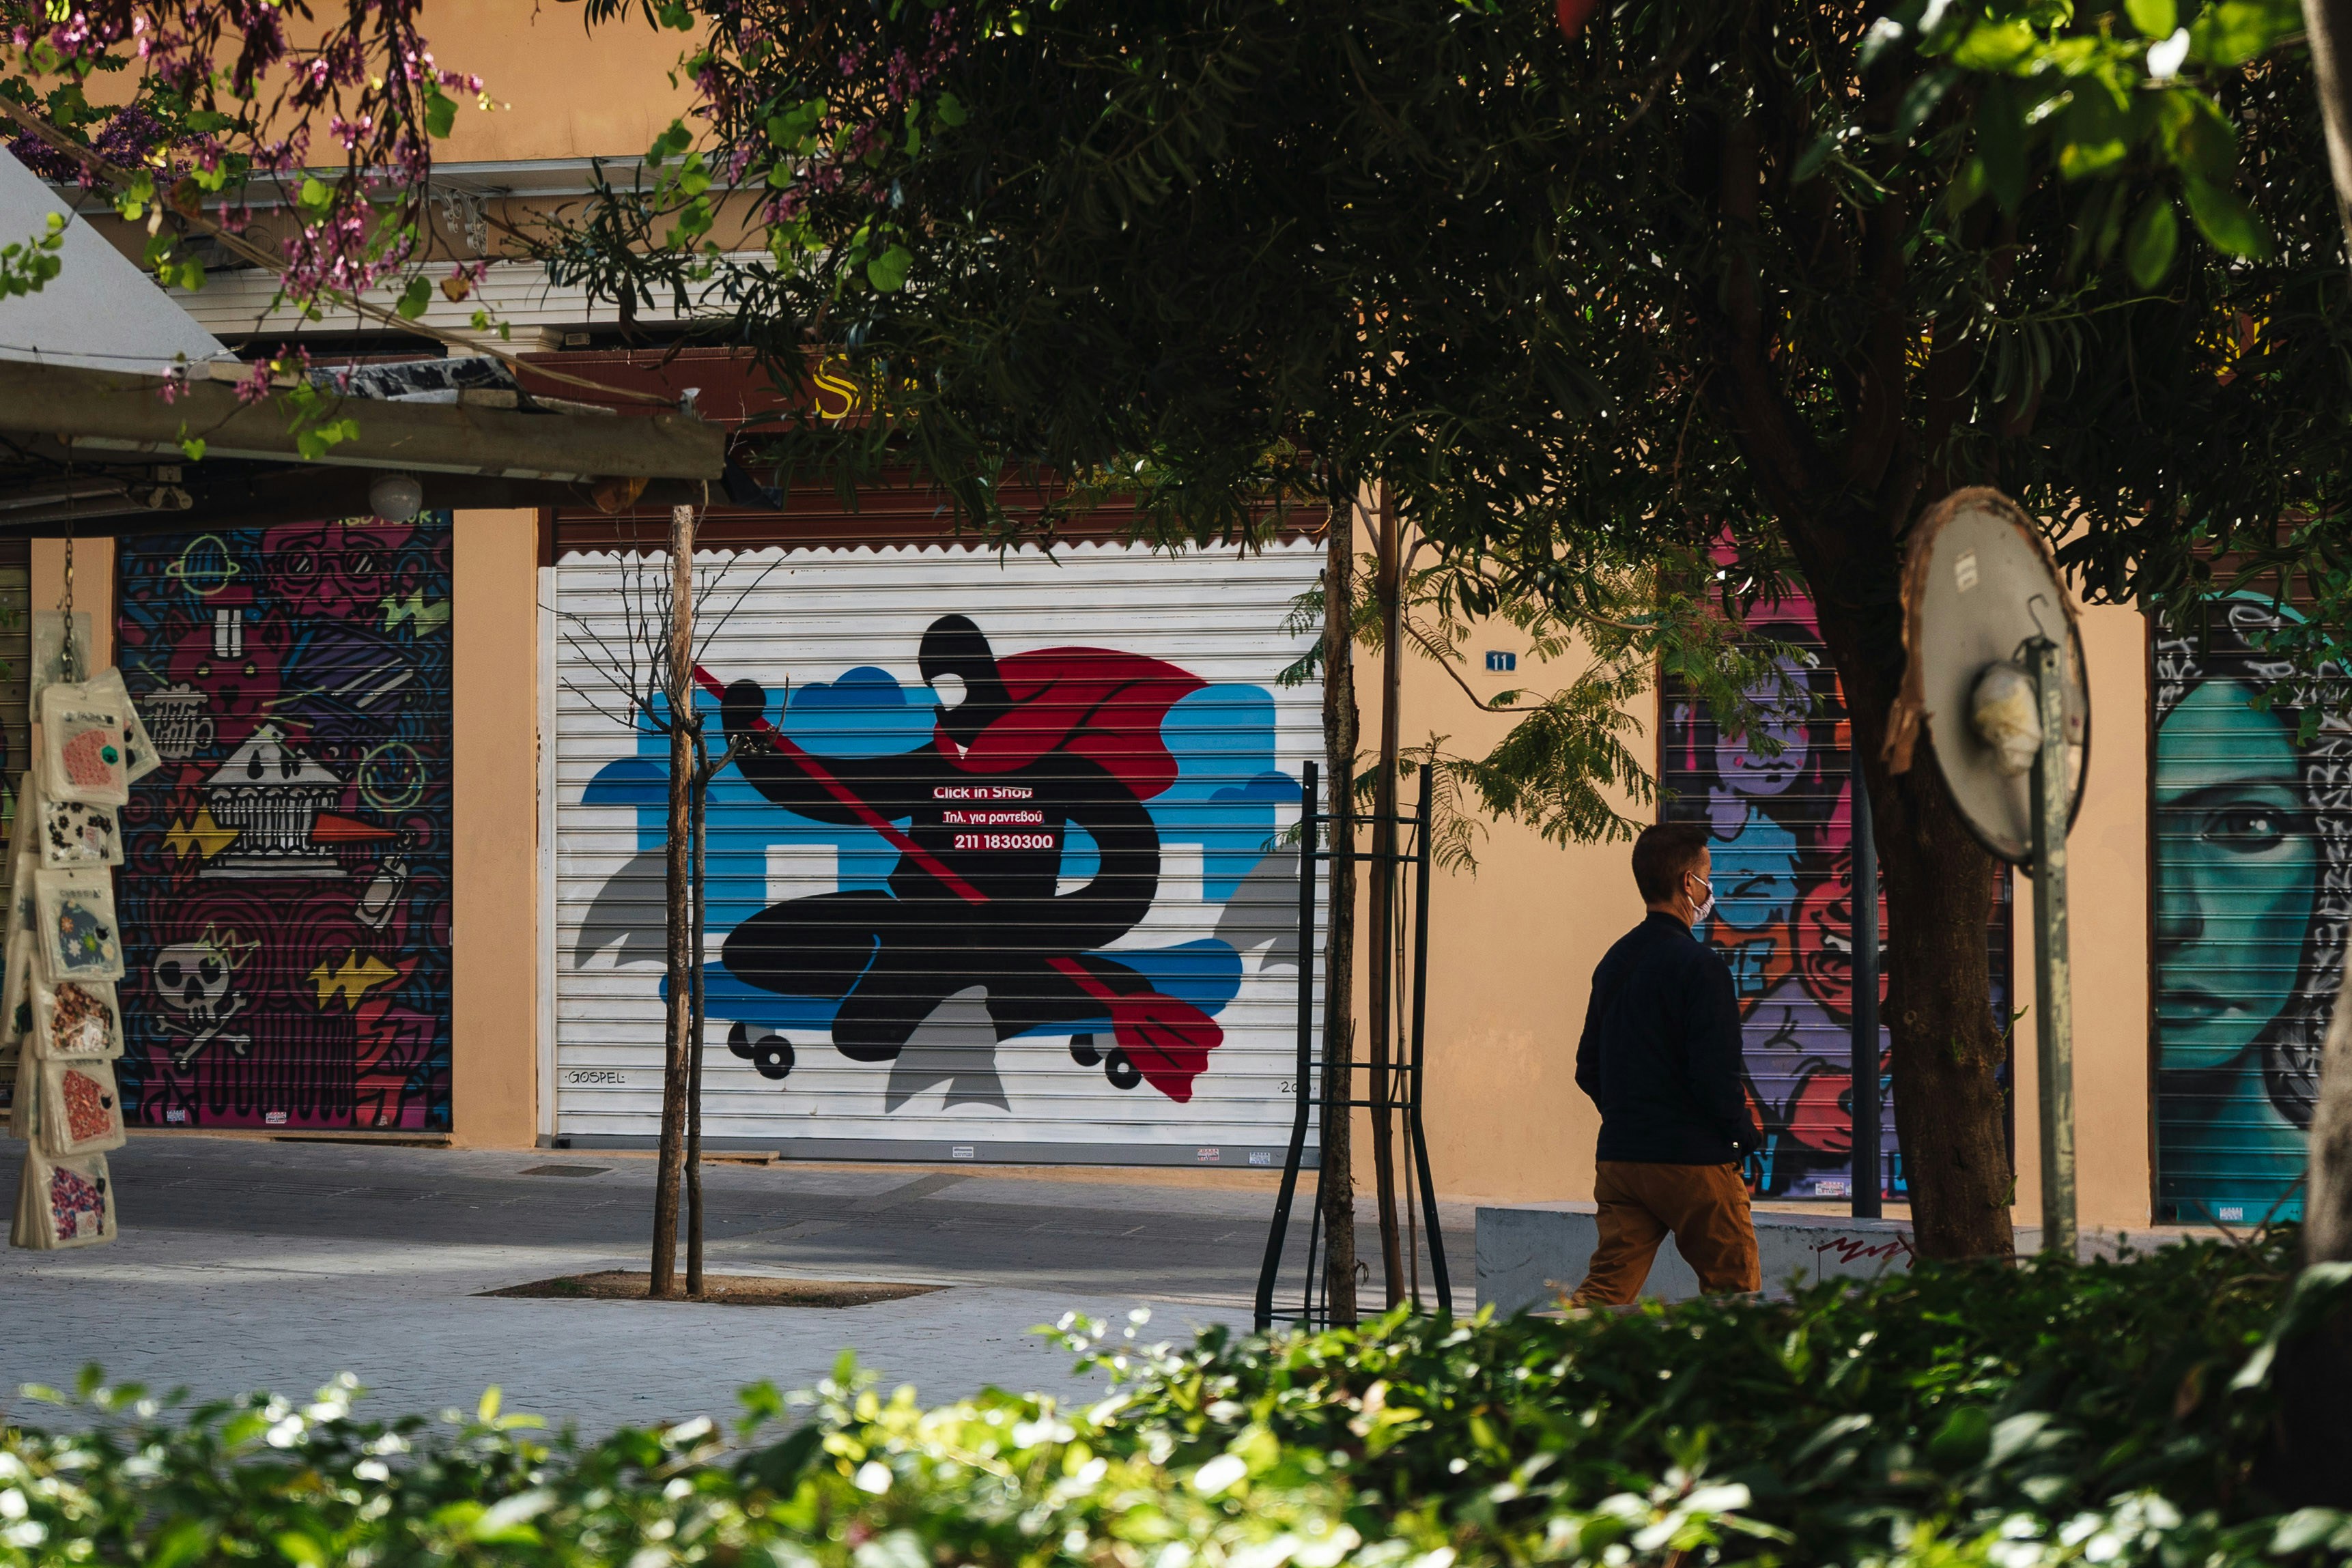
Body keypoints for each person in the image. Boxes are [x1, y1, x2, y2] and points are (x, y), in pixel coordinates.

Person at [1568, 821, 1763, 1305]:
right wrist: (1742, 1131)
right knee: (1734, 1292)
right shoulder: (1701, 968)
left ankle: (1544, 1371)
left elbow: (1587, 1066)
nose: (1708, 888)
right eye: (1706, 876)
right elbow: (1714, 1076)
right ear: (1687, 884)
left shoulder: (1613, 961)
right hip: (1693, 1162)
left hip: (1621, 1159)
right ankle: (1727, 1381)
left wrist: (1629, 1117)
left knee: (1605, 1289)